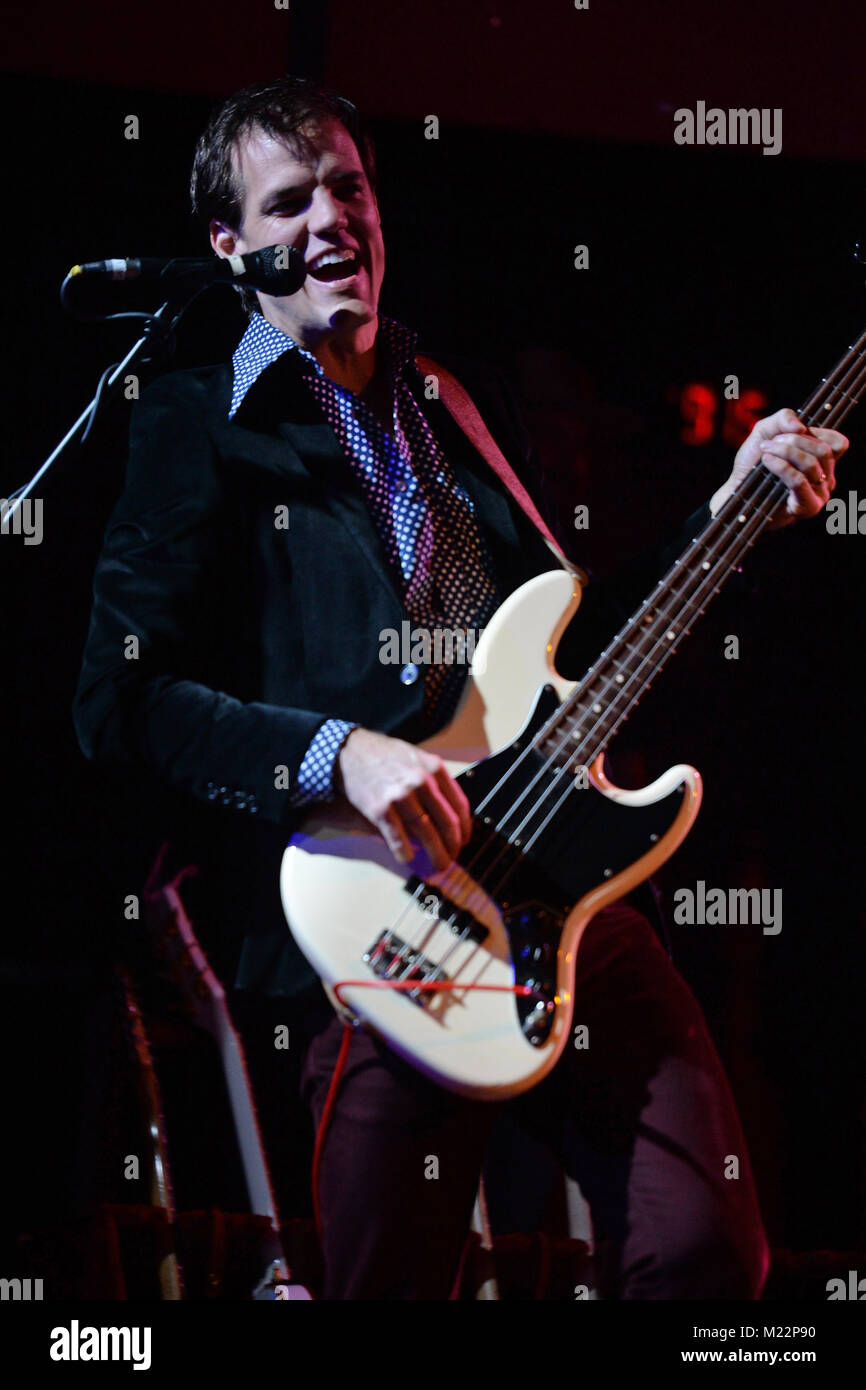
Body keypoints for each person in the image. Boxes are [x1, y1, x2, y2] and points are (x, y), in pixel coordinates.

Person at [73, 76, 848, 1300]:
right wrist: (343, 753)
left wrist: (729, 507)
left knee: (703, 1249)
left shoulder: (447, 407)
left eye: (349, 186)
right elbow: (122, 702)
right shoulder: (195, 426)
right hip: (374, 916)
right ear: (231, 248)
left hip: (555, 885)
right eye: (291, 199)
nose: (332, 216)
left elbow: (571, 651)